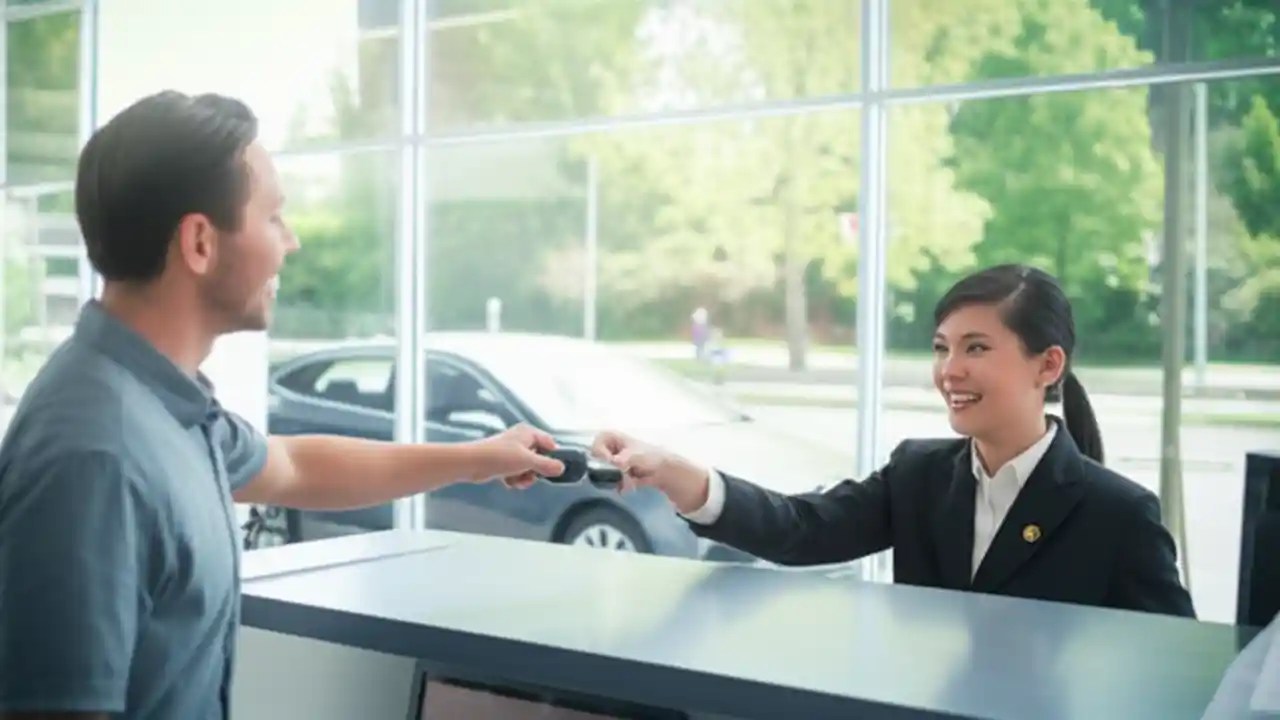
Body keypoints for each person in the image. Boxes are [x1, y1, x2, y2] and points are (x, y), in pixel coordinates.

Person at [0, 91, 565, 720]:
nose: (290, 242)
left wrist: (478, 457)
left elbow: (295, 466)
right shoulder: (95, 457)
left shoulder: (163, 403)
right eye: (273, 217)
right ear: (200, 242)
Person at [592, 264, 1195, 618]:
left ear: (1048, 364)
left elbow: (1175, 677)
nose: (949, 371)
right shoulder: (919, 474)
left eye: (976, 348)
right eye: (942, 348)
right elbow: (800, 529)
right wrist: (673, 471)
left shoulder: (1120, 515)